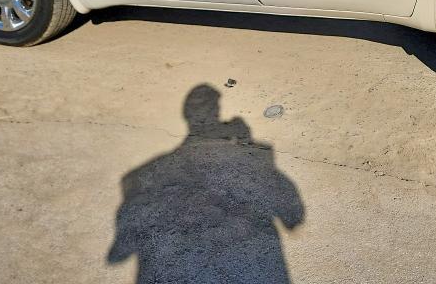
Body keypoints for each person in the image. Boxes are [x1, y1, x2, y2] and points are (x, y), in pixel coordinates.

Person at [108, 85, 304, 283]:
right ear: (216, 114)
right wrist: (250, 147)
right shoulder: (250, 166)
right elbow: (293, 215)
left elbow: (120, 251)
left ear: (187, 116)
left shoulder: (145, 176)